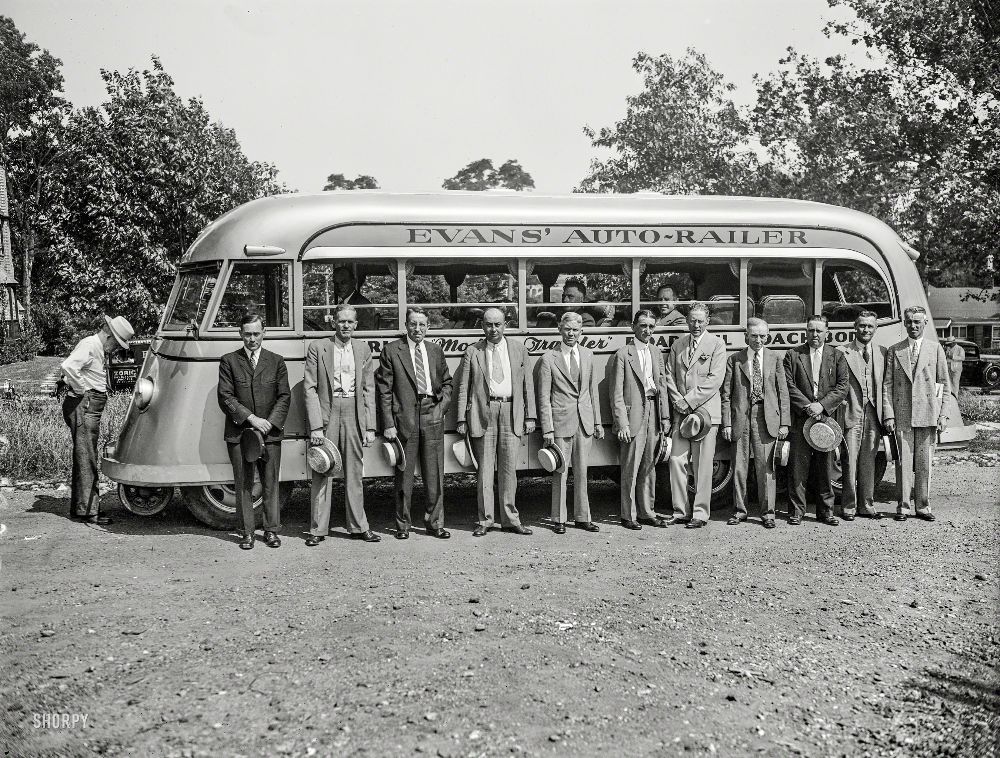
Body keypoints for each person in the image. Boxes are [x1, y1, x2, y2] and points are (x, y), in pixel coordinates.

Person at [303, 304, 380, 546]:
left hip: (354, 412)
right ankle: (318, 529)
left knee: (354, 473)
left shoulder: (363, 349)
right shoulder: (319, 347)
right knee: (323, 470)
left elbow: (368, 389)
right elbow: (310, 388)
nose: (346, 325)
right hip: (328, 411)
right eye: (341, 321)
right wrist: (316, 426)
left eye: (350, 322)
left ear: (356, 325)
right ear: (333, 322)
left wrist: (369, 427)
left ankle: (359, 527)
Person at [456, 308, 536, 537]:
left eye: (497, 324)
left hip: (512, 411)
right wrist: (461, 418)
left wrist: (530, 416)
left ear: (505, 325)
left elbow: (527, 385)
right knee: (485, 471)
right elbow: (464, 386)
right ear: (482, 326)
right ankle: (486, 519)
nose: (493, 329)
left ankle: (511, 519)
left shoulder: (519, 349)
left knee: (509, 470)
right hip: (484, 412)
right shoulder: (473, 351)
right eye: (489, 325)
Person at [376, 307, 453, 539]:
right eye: (413, 324)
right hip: (404, 418)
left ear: (428, 327)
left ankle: (435, 523)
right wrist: (388, 423)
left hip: (432, 413)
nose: (417, 329)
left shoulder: (435, 350)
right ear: (406, 326)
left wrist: (441, 408)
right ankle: (403, 525)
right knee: (404, 475)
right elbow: (385, 391)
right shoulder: (391, 351)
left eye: (422, 324)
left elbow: (447, 383)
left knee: (434, 474)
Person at [217, 312, 291, 549]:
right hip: (240, 434)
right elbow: (225, 396)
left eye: (256, 334)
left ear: (264, 333)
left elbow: (284, 396)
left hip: (269, 433)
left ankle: (271, 531)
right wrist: (251, 419)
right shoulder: (229, 361)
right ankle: (246, 532)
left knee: (270, 483)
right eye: (247, 334)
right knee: (244, 484)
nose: (252, 339)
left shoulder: (276, 361)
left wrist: (268, 422)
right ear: (240, 334)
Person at [60, 315, 134, 525]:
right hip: (86, 405)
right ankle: (89, 512)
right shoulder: (90, 345)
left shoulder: (95, 347)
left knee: (85, 457)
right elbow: (69, 366)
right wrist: (81, 389)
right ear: (109, 336)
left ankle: (82, 508)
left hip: (88, 405)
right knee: (87, 458)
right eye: (117, 344)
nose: (116, 349)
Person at [537, 311, 604, 534]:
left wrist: (597, 422)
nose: (571, 334)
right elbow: (544, 398)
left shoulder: (588, 354)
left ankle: (583, 517)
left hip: (584, 422)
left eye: (575, 330)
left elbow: (592, 391)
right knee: (560, 471)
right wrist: (547, 428)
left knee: (583, 472)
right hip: (560, 423)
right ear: (559, 329)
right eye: (567, 330)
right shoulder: (548, 358)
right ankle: (559, 519)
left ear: (581, 332)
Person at [721, 317, 789, 529]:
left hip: (766, 416)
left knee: (766, 467)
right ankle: (740, 511)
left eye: (762, 336)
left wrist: (784, 422)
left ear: (767, 336)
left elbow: (783, 392)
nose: (758, 340)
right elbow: (726, 394)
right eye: (754, 336)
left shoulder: (774, 358)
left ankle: (768, 513)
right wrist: (727, 423)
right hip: (741, 416)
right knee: (739, 467)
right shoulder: (735, 359)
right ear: (746, 336)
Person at [883, 305, 950, 522]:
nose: (913, 325)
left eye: (917, 322)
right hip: (902, 415)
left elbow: (943, 384)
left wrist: (943, 415)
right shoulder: (895, 350)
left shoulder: (935, 349)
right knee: (903, 463)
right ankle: (902, 507)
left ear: (925, 324)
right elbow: (887, 386)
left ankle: (922, 506)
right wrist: (889, 414)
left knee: (924, 464)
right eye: (909, 321)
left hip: (928, 414)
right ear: (904, 323)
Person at [664, 302, 727, 528]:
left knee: (702, 466)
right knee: (676, 460)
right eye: (692, 320)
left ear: (707, 321)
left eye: (700, 321)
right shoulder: (678, 345)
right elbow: (668, 375)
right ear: (687, 320)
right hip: (682, 414)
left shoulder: (717, 345)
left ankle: (700, 514)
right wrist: (678, 402)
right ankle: (680, 511)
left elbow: (714, 380)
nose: (696, 325)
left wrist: (689, 401)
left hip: (705, 415)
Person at [783, 314, 849, 526]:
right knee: (798, 468)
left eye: (819, 331)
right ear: (806, 331)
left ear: (826, 333)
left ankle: (826, 512)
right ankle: (796, 511)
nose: (815, 334)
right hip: (801, 419)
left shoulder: (837, 356)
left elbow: (842, 387)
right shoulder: (793, 355)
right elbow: (789, 385)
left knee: (825, 468)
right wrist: (808, 407)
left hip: (826, 421)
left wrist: (822, 406)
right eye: (811, 330)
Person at [610, 310, 669, 530]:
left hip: (653, 410)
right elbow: (616, 393)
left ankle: (647, 512)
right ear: (633, 326)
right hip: (633, 414)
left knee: (649, 465)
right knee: (630, 467)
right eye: (643, 325)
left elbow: (661, 386)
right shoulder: (623, 354)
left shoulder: (656, 351)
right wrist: (622, 423)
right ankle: (628, 515)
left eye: (651, 326)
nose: (647, 330)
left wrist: (664, 417)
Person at [837, 311, 886, 521]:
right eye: (862, 326)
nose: (866, 330)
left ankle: (866, 505)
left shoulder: (883, 352)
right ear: (855, 328)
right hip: (851, 412)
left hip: (874, 414)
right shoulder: (841, 352)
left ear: (875, 329)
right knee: (850, 460)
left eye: (870, 326)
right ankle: (848, 506)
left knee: (869, 460)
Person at [332, 266, 374, 330]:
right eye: (336, 283)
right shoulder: (341, 304)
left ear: (353, 283)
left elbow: (366, 332)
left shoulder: (363, 305)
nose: (339, 287)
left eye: (343, 283)